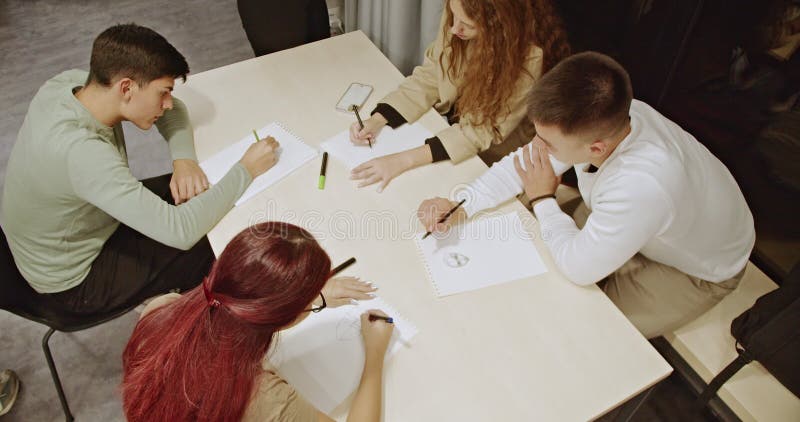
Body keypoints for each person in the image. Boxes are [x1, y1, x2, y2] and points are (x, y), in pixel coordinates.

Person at [417, 52, 756, 339]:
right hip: (648, 219)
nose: (538, 147)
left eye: (547, 143)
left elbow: (579, 269)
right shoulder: (608, 117)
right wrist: (463, 204)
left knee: (586, 329)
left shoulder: (641, 184)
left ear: (596, 147)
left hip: (699, 268)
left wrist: (543, 200)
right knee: (539, 269)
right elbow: (525, 165)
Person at [1, 24, 279, 315]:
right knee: (217, 243)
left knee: (201, 193)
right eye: (163, 93)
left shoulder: (69, 85)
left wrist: (183, 160)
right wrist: (247, 169)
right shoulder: (82, 153)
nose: (168, 103)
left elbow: (177, 110)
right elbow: (181, 230)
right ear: (126, 88)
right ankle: (190, 331)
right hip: (72, 282)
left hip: (76, 230)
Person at [122, 222, 393, 421]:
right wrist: (375, 355)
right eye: (311, 303)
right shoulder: (263, 399)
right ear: (282, 316)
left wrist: (303, 298)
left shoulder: (162, 309)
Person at [349, 0, 570, 192]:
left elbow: (481, 131)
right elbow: (433, 73)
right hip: (454, 128)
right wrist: (378, 119)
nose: (454, 29)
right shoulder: (459, 12)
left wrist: (402, 160)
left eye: (467, 24)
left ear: (499, 25)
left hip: (492, 154)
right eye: (453, 16)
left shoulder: (528, 57)